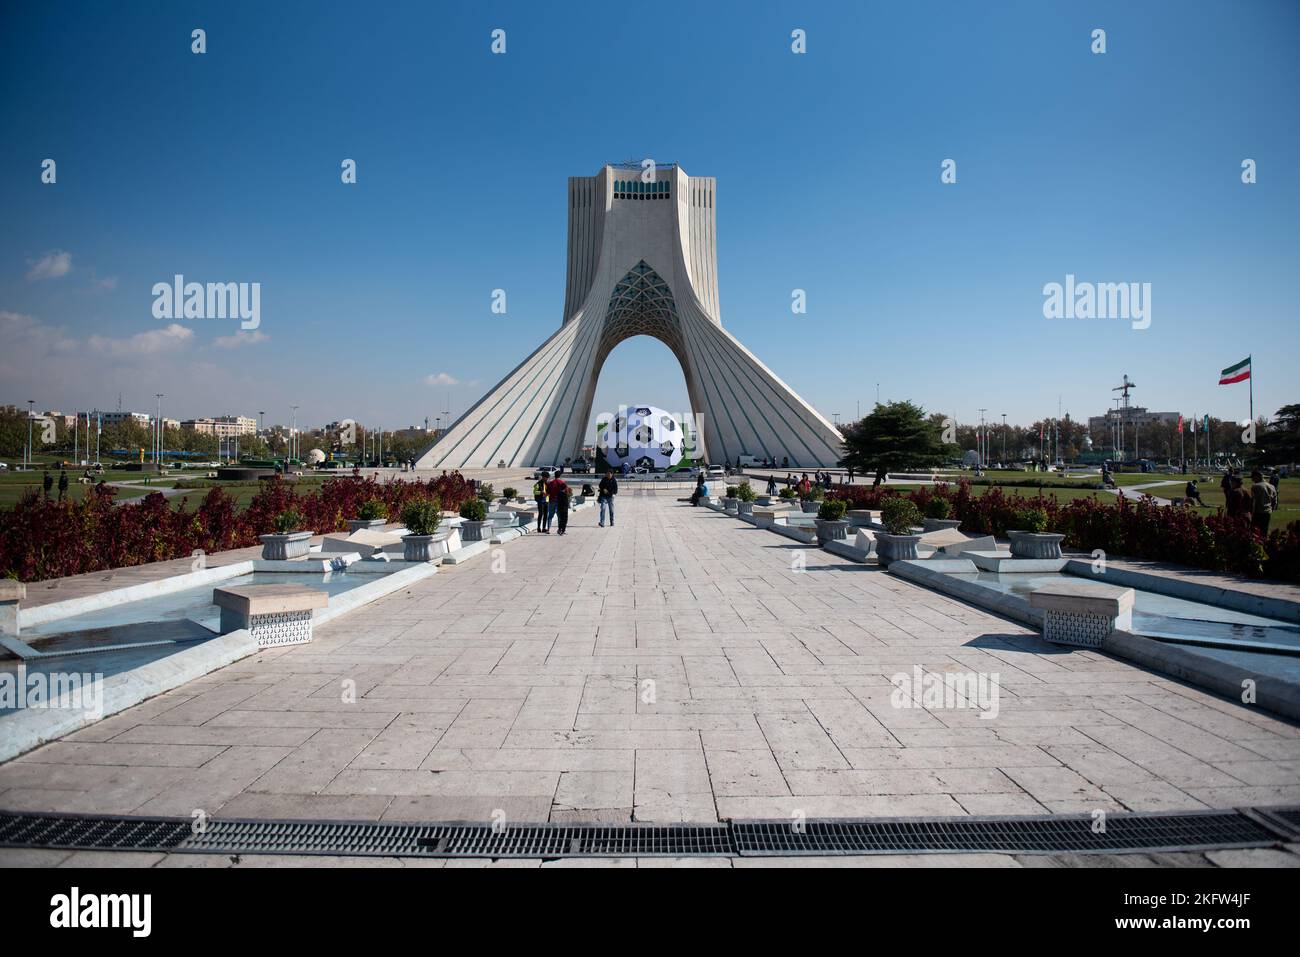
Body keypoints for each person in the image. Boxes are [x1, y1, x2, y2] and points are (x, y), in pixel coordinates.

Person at [1251, 469, 1277, 535]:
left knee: (1255, 532)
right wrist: (1271, 509)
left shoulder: (1256, 486)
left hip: (1258, 512)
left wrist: (1251, 513)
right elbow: (1274, 501)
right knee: (1264, 531)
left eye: (1253, 477)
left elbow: (1254, 502)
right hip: (1267, 512)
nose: (1252, 480)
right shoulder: (1272, 486)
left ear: (1257, 476)